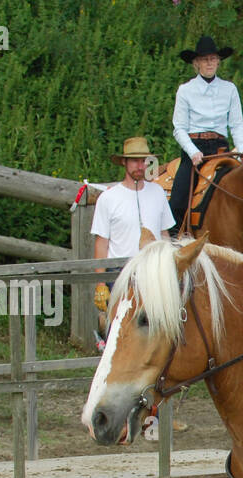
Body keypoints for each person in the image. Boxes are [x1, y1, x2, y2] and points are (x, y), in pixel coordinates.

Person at [91, 136, 183, 429]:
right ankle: (105, 409)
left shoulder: (157, 194)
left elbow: (167, 236)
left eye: (143, 161)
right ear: (125, 163)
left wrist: (172, 271)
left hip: (153, 276)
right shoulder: (108, 198)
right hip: (121, 273)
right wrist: (100, 283)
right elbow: (101, 244)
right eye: (134, 161)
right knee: (116, 347)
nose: (139, 165)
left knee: (156, 346)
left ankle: (154, 416)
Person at [169, 35, 243, 233]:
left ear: (218, 61)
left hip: (221, 148)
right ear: (196, 63)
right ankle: (174, 242)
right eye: (205, 59)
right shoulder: (185, 90)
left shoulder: (230, 89)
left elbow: (237, 125)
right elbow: (179, 128)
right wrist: (192, 152)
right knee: (178, 199)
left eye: (213, 59)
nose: (209, 63)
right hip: (195, 149)